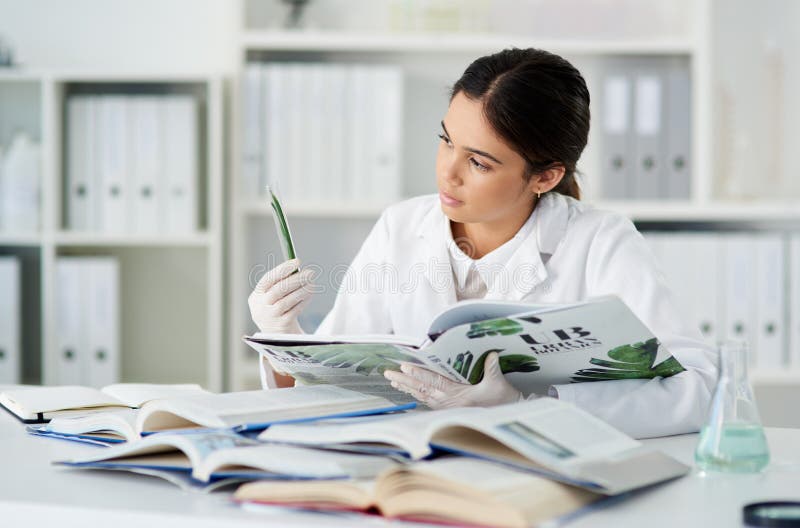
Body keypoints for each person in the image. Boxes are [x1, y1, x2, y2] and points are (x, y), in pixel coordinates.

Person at [248, 48, 717, 439]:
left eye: (478, 162)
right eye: (446, 140)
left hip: (535, 475)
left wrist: (529, 404)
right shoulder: (401, 226)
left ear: (545, 176)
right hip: (415, 468)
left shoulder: (600, 242)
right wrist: (283, 339)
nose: (447, 172)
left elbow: (695, 389)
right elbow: (336, 387)